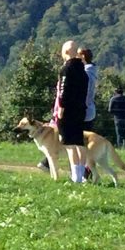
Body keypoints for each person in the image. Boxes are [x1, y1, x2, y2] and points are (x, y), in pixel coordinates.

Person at [50, 40, 89, 183]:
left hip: (68, 111)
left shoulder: (66, 69)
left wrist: (61, 108)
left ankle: (75, 176)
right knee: (79, 142)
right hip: (80, 110)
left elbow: (63, 91)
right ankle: (81, 175)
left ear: (66, 52)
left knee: (69, 144)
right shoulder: (83, 71)